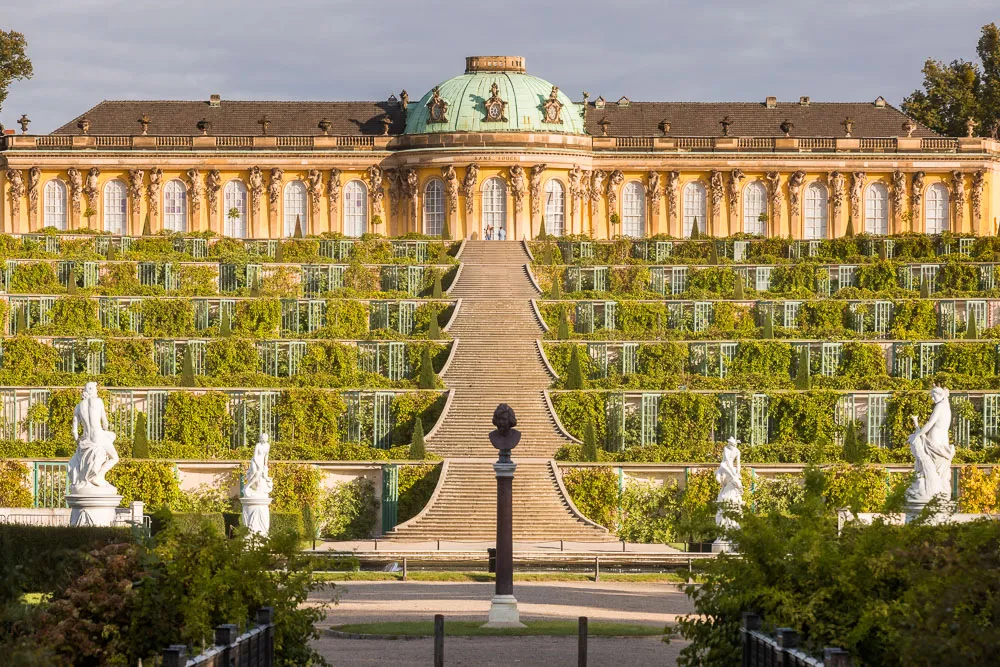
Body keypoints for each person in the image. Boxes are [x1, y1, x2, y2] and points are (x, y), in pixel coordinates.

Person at [68, 382, 119, 490]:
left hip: (86, 439)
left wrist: (78, 443)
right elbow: (105, 423)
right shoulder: (98, 401)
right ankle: (98, 476)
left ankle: (93, 477)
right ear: (92, 390)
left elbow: (74, 431)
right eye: (96, 388)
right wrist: (105, 430)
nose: (96, 390)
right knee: (115, 457)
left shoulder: (78, 407)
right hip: (98, 436)